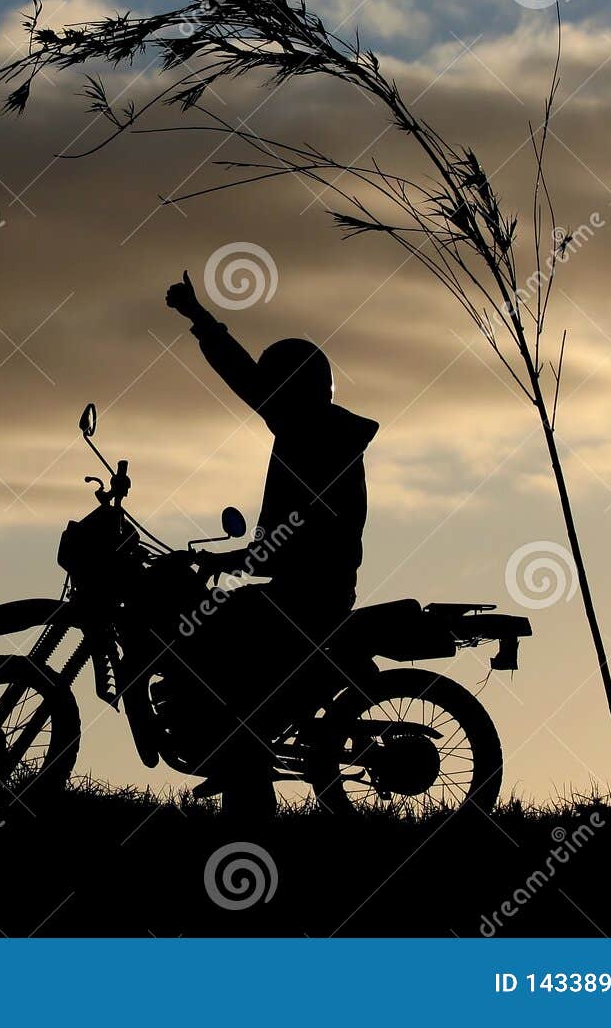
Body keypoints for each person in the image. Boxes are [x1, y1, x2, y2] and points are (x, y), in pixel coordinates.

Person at [164, 271, 380, 816]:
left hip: (313, 594)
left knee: (215, 638)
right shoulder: (308, 430)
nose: (265, 396)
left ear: (297, 389)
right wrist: (200, 319)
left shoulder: (318, 440)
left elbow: (299, 537)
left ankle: (246, 776)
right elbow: (244, 378)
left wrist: (230, 560)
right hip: (302, 586)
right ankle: (236, 759)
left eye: (276, 385)